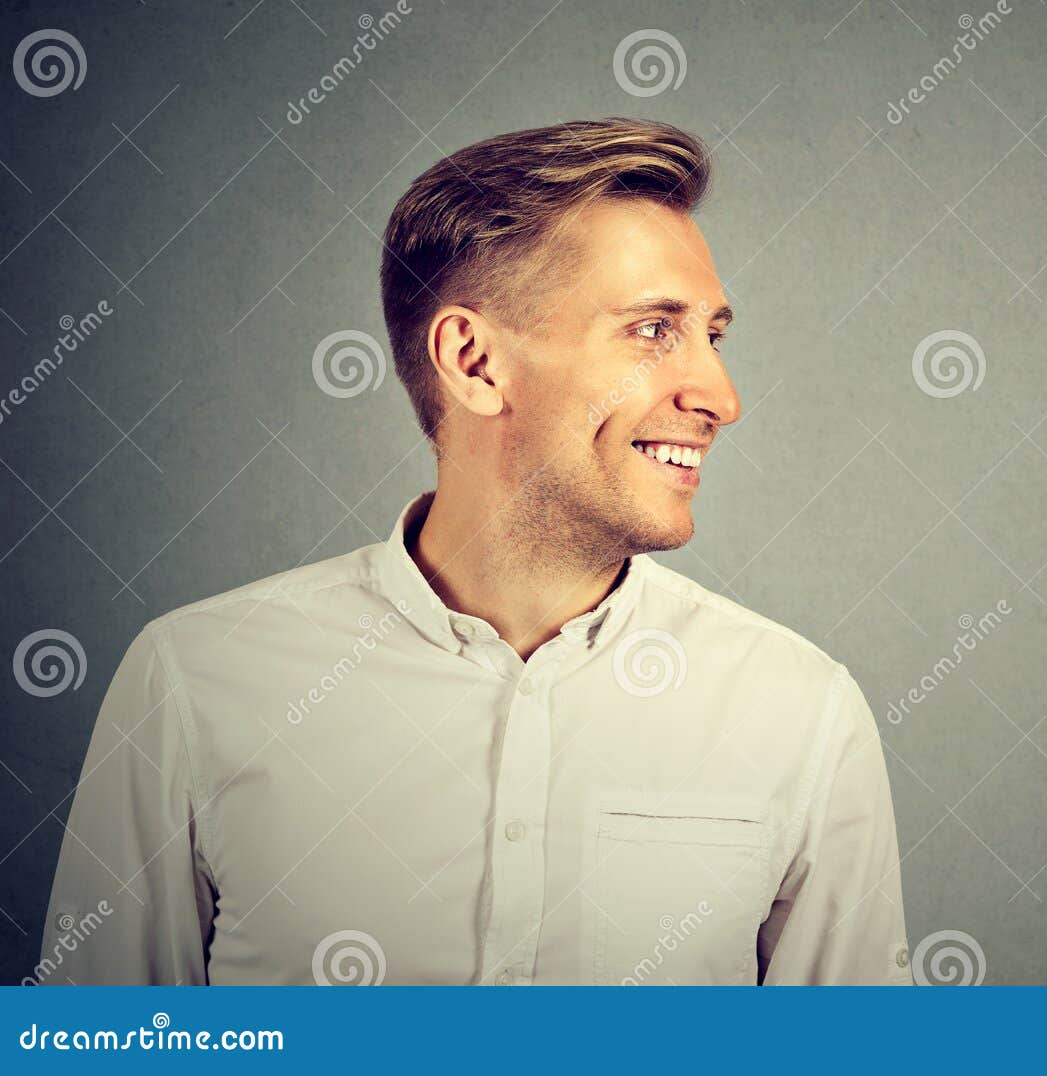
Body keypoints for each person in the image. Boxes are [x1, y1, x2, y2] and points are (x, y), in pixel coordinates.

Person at [42, 118, 914, 986]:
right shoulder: (194, 684)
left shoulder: (803, 713)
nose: (721, 396)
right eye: (654, 330)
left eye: (711, 336)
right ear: (474, 362)